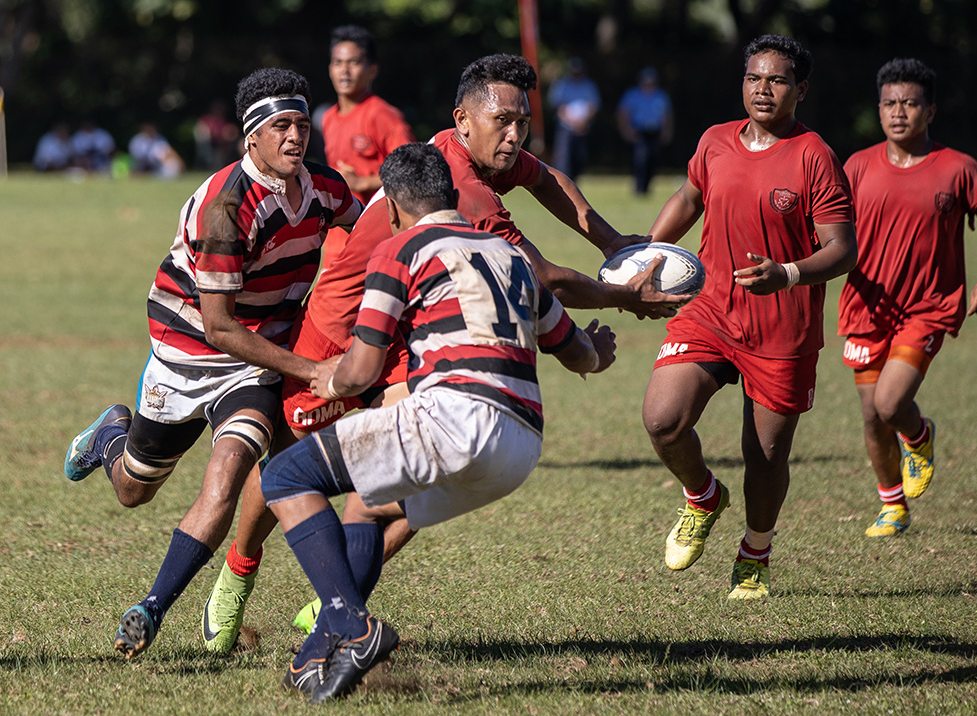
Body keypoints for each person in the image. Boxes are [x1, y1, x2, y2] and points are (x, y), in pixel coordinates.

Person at [200, 53, 686, 654]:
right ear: (463, 119)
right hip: (340, 327)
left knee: (417, 470)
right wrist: (623, 295)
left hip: (411, 330)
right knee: (290, 463)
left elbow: (547, 180)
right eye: (502, 121)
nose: (514, 135)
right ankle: (236, 577)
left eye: (523, 122)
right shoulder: (462, 185)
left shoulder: (485, 148)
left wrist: (613, 241)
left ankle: (340, 600)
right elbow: (544, 280)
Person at [262, 141, 617, 702]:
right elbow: (576, 353)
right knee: (367, 503)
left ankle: (350, 627)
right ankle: (319, 650)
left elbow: (360, 371)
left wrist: (330, 380)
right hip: (520, 447)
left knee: (283, 477)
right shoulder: (513, 258)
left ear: (395, 209)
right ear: (454, 196)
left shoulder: (401, 248)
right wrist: (597, 348)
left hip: (454, 416)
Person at [61, 67, 362, 660]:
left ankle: (151, 607)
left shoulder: (324, 187)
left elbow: (373, 232)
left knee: (228, 469)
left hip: (255, 360)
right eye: (281, 126)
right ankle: (111, 435)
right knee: (132, 491)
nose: (295, 137)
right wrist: (309, 369)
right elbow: (220, 326)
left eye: (302, 124)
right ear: (251, 136)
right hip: (191, 348)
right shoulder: (226, 208)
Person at [641, 35, 858, 600]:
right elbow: (690, 199)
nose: (764, 89)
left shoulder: (816, 156)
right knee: (663, 419)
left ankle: (755, 551)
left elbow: (842, 250)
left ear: (800, 90)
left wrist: (786, 273)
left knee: (763, 456)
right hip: (711, 310)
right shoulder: (715, 141)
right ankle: (703, 496)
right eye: (754, 77)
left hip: (782, 328)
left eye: (778, 80)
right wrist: (646, 256)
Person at [838, 58, 977, 537]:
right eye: (890, 104)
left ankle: (919, 434)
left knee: (893, 405)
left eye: (911, 104)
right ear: (879, 110)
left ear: (930, 111)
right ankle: (892, 505)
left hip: (926, 308)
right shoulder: (855, 166)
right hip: (865, 305)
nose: (900, 113)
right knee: (872, 414)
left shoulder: (959, 169)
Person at [319, 24, 417, 263]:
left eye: (353, 62)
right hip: (336, 241)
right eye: (338, 62)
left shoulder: (383, 116)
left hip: (376, 240)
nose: (344, 70)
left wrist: (362, 182)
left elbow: (414, 172)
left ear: (372, 70)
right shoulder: (328, 118)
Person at [617, 67, 673, 195]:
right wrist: (626, 130)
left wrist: (666, 131)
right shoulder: (633, 95)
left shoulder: (660, 96)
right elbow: (623, 113)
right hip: (639, 131)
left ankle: (647, 186)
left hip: (654, 131)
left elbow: (667, 116)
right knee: (640, 159)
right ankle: (639, 186)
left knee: (653, 159)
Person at [548, 57, 601, 179]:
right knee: (563, 159)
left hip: (583, 127)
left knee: (579, 158)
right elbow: (558, 107)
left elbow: (594, 106)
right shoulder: (562, 85)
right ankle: (562, 182)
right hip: (565, 127)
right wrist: (572, 123)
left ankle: (574, 180)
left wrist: (583, 123)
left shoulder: (589, 86)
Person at [193, 99, 240, 170]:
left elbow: (228, 131)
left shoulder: (222, 121)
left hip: (222, 142)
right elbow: (201, 131)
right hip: (210, 142)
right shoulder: (207, 119)